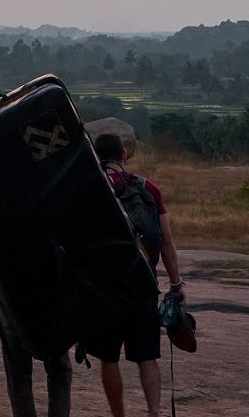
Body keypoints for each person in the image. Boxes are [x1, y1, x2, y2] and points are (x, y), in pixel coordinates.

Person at [88, 133, 183, 417]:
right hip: (143, 283)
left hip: (106, 288)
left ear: (95, 156)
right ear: (124, 155)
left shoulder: (90, 189)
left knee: (108, 357)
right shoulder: (148, 188)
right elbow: (166, 241)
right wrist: (176, 283)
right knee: (147, 355)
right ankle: (154, 412)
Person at [0, 229, 72, 417]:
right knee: (59, 368)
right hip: (49, 293)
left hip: (7, 297)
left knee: (18, 374)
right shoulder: (43, 199)